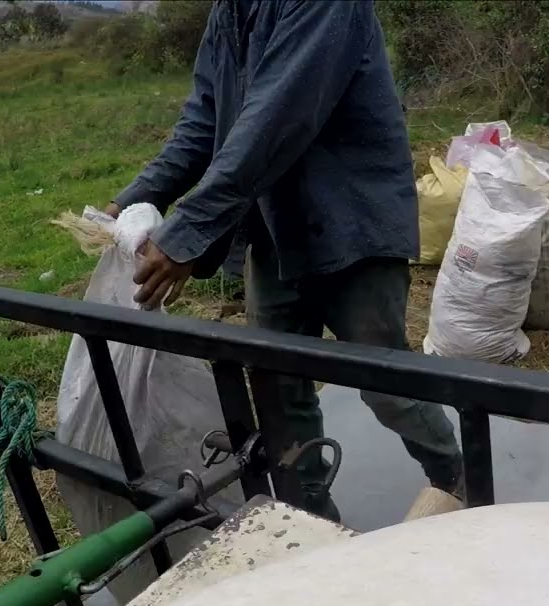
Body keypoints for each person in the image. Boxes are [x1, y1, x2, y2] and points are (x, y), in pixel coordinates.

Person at [103, 0, 464, 520]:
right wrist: (134, 200)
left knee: (385, 383)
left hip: (352, 225)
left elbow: (273, 120)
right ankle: (307, 513)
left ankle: (458, 477)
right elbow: (204, 121)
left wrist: (187, 233)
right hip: (275, 229)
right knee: (277, 387)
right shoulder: (229, 11)